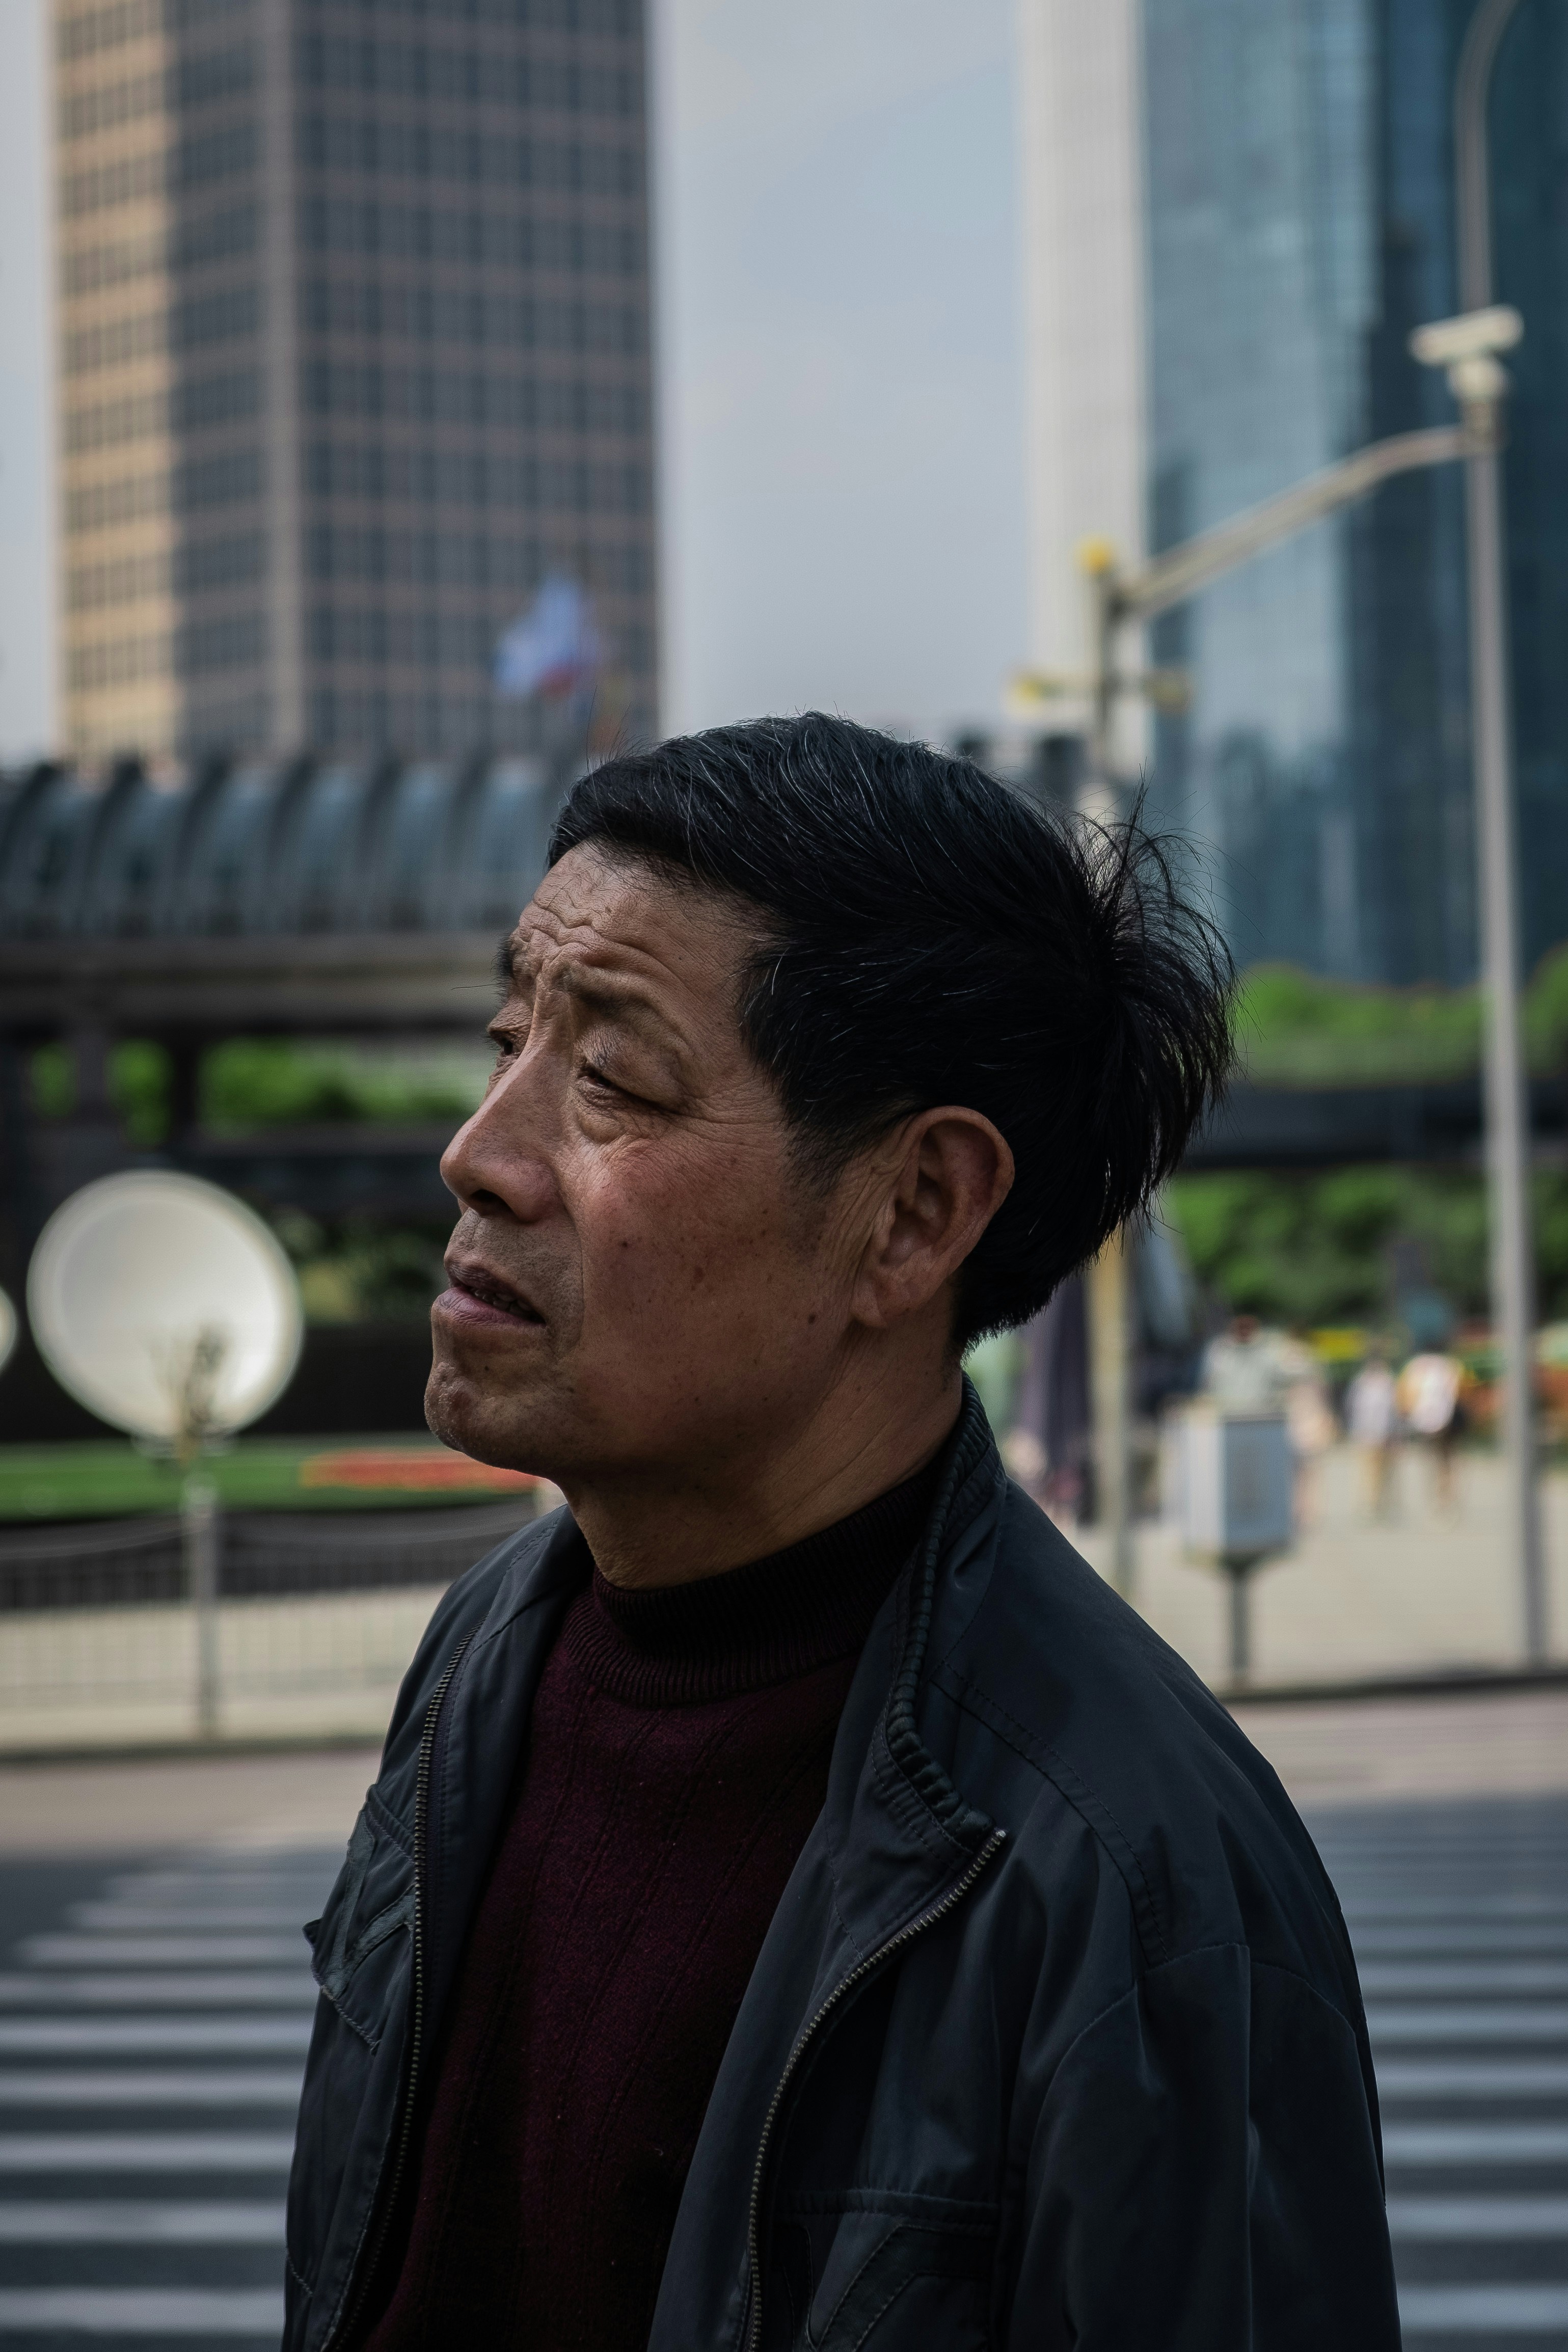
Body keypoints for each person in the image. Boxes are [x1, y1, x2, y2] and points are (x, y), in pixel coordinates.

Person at [283, 716, 1400, 2352]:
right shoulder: (487, 1656)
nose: (481, 1150)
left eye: (608, 1078)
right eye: (508, 1036)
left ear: (915, 1212)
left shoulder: (1131, 1879)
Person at [1396, 1348, 1465, 1511]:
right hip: (1442, 1420)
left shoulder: (1416, 1367)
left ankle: (1442, 1494)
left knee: (1436, 1460)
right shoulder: (1448, 1365)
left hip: (1430, 1420)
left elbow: (1405, 1395)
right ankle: (1445, 1495)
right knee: (1444, 1460)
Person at [1346, 1348, 1401, 1519]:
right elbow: (1354, 1408)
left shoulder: (1388, 1381)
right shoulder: (1363, 1382)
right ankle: (1371, 1505)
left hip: (1385, 1434)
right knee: (1370, 1473)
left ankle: (1385, 1505)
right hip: (1368, 1433)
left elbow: (1396, 1410)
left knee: (1386, 1473)